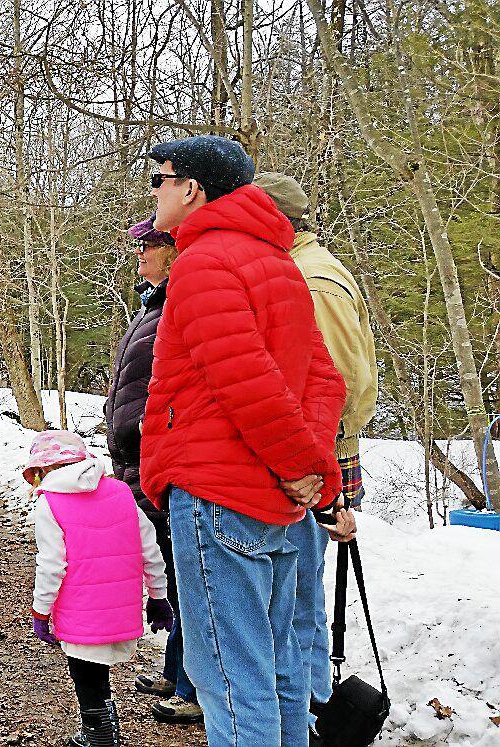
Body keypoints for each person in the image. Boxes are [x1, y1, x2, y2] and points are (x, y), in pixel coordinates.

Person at [139, 135, 347, 747]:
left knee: (230, 676)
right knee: (280, 669)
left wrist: (300, 468)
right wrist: (308, 470)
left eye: (160, 180)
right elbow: (322, 379)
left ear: (191, 190)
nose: (154, 192)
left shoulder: (205, 263)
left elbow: (243, 380)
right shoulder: (276, 262)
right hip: (275, 499)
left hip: (218, 493)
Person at [255, 172, 374, 743]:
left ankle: (308, 716)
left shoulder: (314, 280)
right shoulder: (296, 271)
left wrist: (317, 468)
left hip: (311, 460)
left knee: (298, 597)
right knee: (294, 593)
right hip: (305, 457)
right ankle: (306, 707)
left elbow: (336, 383)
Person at [104, 216, 202, 725]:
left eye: (150, 243)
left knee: (187, 571)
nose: (139, 251)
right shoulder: (154, 302)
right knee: (169, 561)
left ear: (175, 249)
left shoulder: (182, 302)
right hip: (138, 459)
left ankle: (192, 684)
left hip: (158, 457)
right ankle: (176, 669)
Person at [27, 430, 173, 747]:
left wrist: (41, 610)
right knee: (98, 667)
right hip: (121, 608)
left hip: (79, 608)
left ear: (43, 469)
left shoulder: (49, 505)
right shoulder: (120, 492)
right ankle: (106, 727)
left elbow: (52, 565)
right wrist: (158, 596)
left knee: (85, 672)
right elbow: (150, 548)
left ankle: (99, 735)